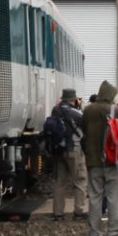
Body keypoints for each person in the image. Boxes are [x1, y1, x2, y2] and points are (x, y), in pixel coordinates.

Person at [78, 80, 118, 236]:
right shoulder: (114, 109)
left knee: (94, 197)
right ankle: (113, 231)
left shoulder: (88, 110)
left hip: (93, 162)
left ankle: (94, 232)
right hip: (113, 161)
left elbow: (84, 130)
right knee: (113, 197)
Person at [46, 90, 86, 221]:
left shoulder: (55, 110)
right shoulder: (76, 113)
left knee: (59, 183)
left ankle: (58, 213)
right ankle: (79, 211)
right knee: (79, 180)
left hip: (58, 151)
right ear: (74, 99)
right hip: (74, 150)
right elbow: (85, 126)